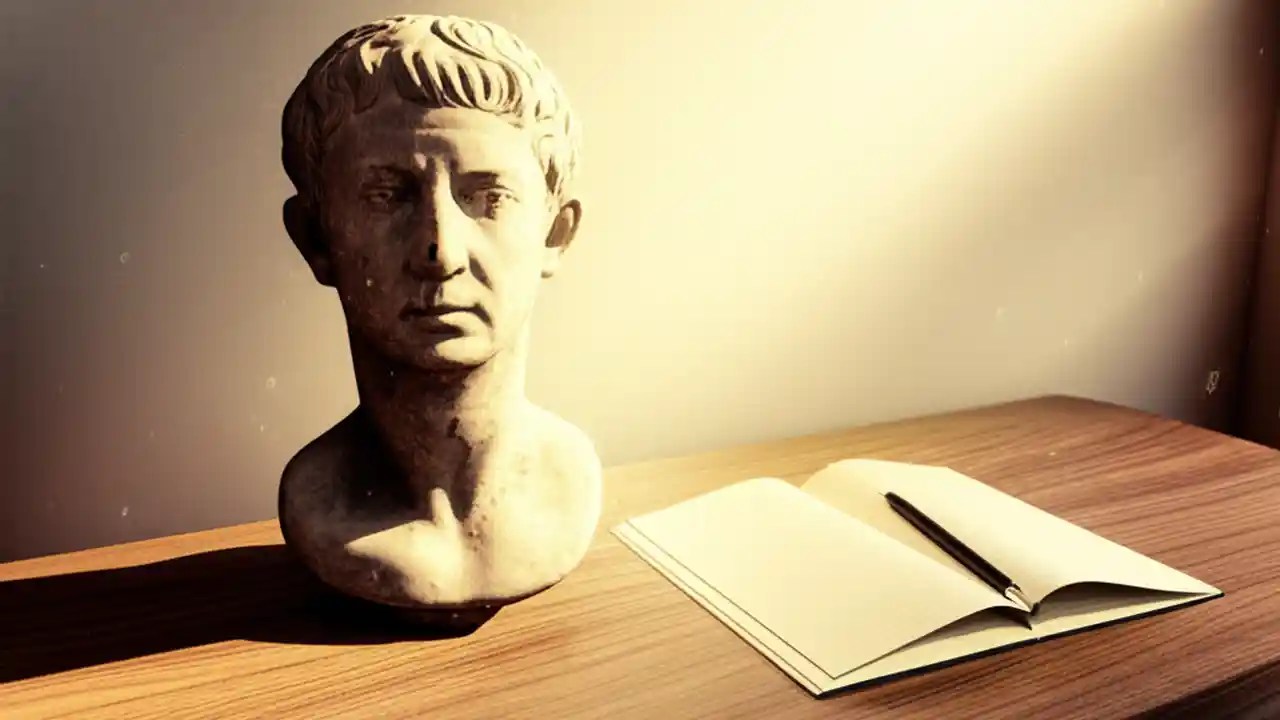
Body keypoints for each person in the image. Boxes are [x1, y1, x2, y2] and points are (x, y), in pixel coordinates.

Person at [277, 14, 601, 621]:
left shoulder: (571, 488)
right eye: (387, 195)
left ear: (555, 234)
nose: (441, 252)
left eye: (488, 198)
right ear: (316, 238)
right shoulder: (320, 503)